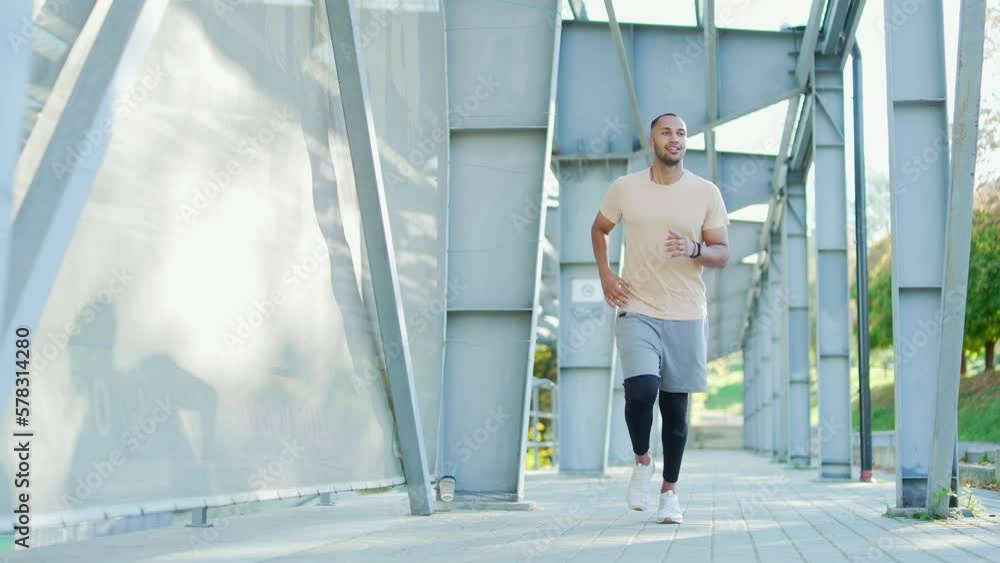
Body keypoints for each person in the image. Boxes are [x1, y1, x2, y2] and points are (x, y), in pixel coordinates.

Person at [590, 113, 730, 524]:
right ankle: (642, 460)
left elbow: (722, 253)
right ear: (651, 140)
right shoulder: (625, 189)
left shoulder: (706, 193)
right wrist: (606, 274)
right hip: (638, 307)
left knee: (675, 409)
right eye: (667, 132)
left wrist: (693, 249)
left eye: (682, 133)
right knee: (640, 393)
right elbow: (599, 229)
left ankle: (670, 493)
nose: (675, 138)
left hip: (687, 312)